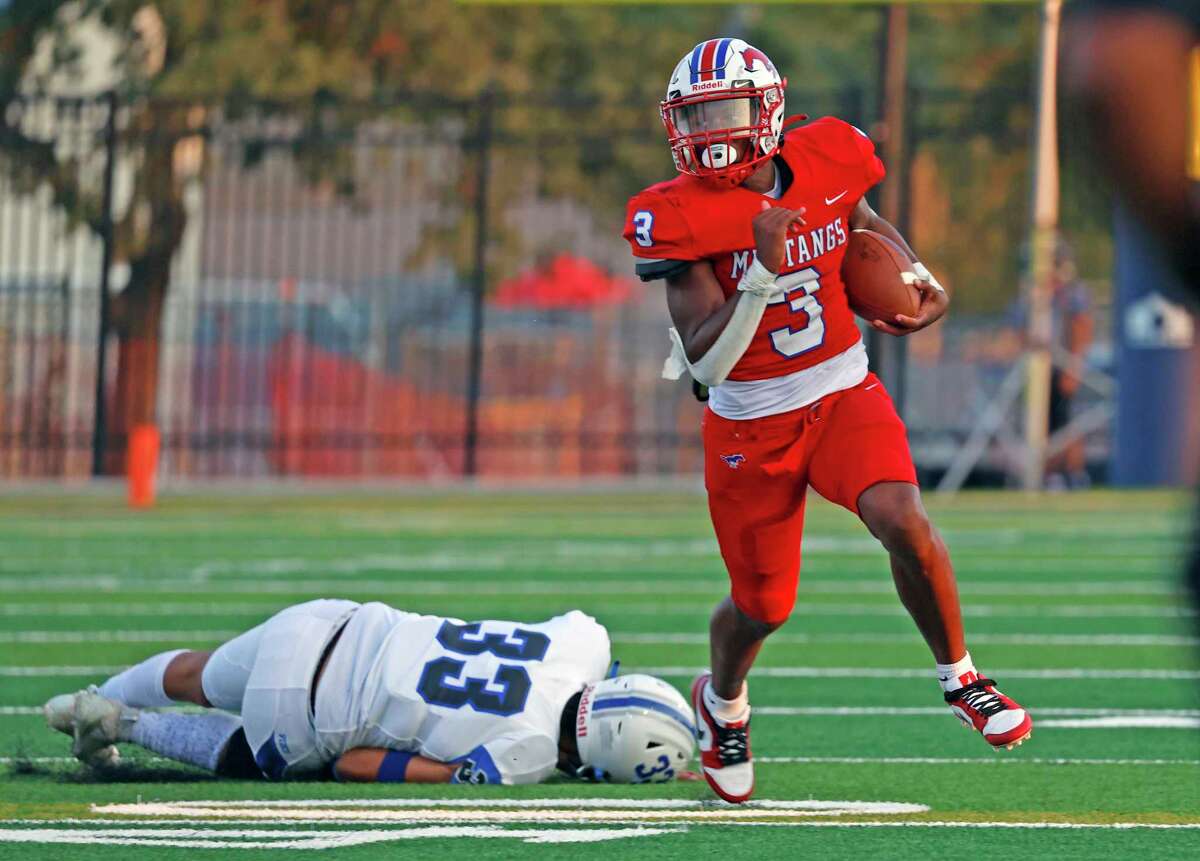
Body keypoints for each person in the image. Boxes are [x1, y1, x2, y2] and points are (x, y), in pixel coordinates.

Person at [622, 38, 1031, 804]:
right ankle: (724, 703)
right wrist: (764, 273)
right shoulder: (673, 214)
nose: (711, 130)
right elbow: (706, 365)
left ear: (768, 110)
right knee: (762, 605)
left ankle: (962, 676)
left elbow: (864, 220)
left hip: (842, 389)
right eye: (696, 115)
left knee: (902, 516)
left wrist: (915, 277)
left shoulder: (831, 155)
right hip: (749, 422)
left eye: (726, 110)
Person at [43, 599, 695, 785]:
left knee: (200, 673)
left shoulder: (583, 643)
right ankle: (122, 725)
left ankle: (94, 697)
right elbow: (357, 763)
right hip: (306, 710)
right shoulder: (524, 754)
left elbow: (586, 645)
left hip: (333, 620)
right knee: (276, 758)